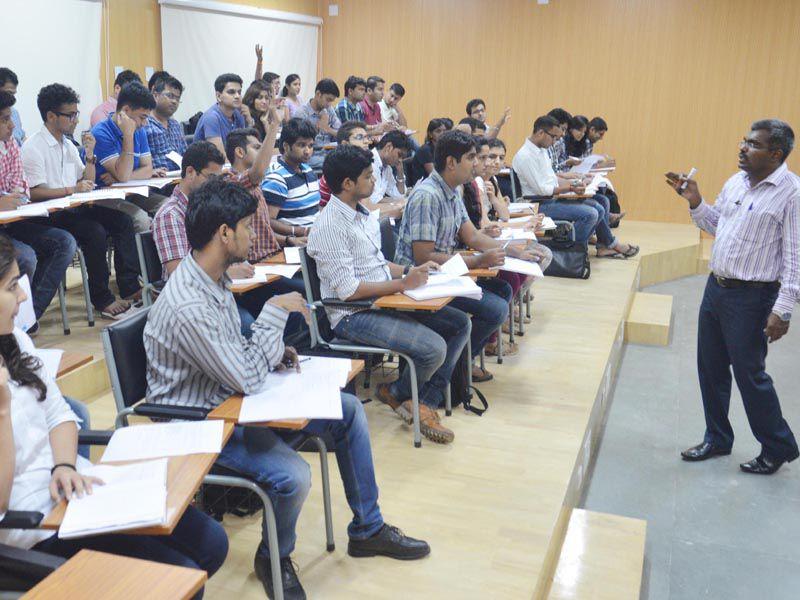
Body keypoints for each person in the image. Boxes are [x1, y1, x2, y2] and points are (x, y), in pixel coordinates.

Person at [144, 177, 430, 599]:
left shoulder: (213, 278)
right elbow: (243, 375)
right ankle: (273, 557)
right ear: (224, 234)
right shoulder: (187, 302)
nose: (253, 234)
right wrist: (273, 314)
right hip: (202, 422)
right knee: (292, 476)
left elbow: (232, 355)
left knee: (347, 411)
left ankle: (367, 528)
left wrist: (272, 351)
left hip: (233, 402)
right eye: (245, 226)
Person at [0, 235, 227, 600]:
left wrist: (62, 466)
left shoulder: (15, 342)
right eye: (13, 287)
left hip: (73, 495)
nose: (25, 297)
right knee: (181, 576)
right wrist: (3, 409)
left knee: (211, 543)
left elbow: (61, 413)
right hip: (33, 532)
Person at [308, 145, 469, 443]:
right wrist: (403, 285)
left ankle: (412, 397)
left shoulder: (361, 214)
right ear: (347, 184)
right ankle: (407, 396)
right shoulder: (329, 225)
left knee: (459, 323)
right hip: (353, 315)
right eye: (368, 176)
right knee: (433, 348)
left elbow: (378, 265)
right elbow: (348, 291)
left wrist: (410, 273)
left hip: (382, 300)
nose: (374, 181)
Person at [666, 119, 800, 475]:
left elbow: (795, 256)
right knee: (710, 368)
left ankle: (778, 445)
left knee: (749, 374)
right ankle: (717, 437)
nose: (742, 148)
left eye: (752, 144)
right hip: (717, 289)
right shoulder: (735, 181)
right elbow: (716, 225)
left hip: (754, 298)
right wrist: (696, 201)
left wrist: (783, 309)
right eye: (744, 141)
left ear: (775, 153)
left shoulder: (792, 193)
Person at [396, 130, 541, 382]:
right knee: (495, 308)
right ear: (451, 163)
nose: (477, 163)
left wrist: (508, 250)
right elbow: (423, 257)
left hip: (443, 273)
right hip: (420, 280)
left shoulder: (452, 190)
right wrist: (477, 261)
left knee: (503, 290)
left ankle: (458, 366)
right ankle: (454, 371)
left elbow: (472, 236)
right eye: (471, 157)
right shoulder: (427, 196)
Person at [22, 83, 140, 319]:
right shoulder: (33, 147)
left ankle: (130, 287)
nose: (76, 119)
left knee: (122, 221)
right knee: (94, 232)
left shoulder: (68, 144)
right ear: (51, 116)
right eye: (70, 115)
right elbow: (33, 193)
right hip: (48, 215)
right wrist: (70, 189)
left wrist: (89, 155)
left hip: (72, 207)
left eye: (76, 113)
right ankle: (102, 298)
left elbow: (86, 179)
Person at [512, 115, 638, 257]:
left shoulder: (540, 151)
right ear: (541, 133)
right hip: (537, 204)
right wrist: (571, 188)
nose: (554, 142)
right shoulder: (526, 156)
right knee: (590, 214)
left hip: (548, 199)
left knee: (599, 208)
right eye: (553, 137)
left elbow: (551, 179)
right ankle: (569, 252)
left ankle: (576, 246)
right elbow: (543, 190)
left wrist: (576, 183)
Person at [0, 92, 76, 323]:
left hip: (12, 222)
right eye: (4, 119)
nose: (12, 125)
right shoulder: (33, 144)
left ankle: (26, 319)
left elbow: (21, 187)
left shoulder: (11, 145)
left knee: (64, 242)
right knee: (25, 257)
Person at [92, 81, 166, 232]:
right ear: (125, 111)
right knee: (141, 219)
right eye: (142, 117)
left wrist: (120, 176)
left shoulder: (140, 130)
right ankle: (140, 256)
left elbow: (147, 169)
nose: (145, 123)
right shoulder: (101, 132)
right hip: (103, 197)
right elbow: (124, 175)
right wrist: (128, 135)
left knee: (168, 206)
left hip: (132, 192)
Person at [261, 118, 321, 237]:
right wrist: (299, 231)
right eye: (302, 145)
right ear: (286, 146)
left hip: (316, 236)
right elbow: (267, 221)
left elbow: (314, 209)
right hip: (294, 242)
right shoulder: (277, 178)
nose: (307, 151)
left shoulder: (308, 170)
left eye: (310, 146)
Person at [318, 120, 370, 206]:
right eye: (360, 137)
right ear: (345, 144)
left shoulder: (361, 165)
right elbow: (365, 208)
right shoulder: (337, 169)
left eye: (367, 137)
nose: (366, 141)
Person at [193, 73, 246, 157]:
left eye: (239, 92)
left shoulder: (238, 114)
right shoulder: (211, 118)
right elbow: (220, 157)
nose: (237, 96)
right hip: (207, 167)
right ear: (218, 96)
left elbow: (244, 149)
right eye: (231, 92)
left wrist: (250, 121)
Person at [294, 78, 341, 169]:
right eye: (328, 100)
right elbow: (300, 142)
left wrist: (327, 129)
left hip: (328, 153)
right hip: (311, 156)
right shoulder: (302, 113)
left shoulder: (328, 110)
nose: (329, 104)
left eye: (332, 101)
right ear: (318, 94)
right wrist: (318, 129)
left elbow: (342, 133)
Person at [144, 75, 187, 171]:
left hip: (179, 178)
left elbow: (186, 155)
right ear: (155, 95)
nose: (174, 101)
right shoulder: (144, 123)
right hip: (155, 181)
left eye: (177, 98)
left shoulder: (176, 125)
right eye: (170, 96)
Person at [369, 130, 411, 204]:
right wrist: (404, 202)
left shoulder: (387, 168)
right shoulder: (369, 161)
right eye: (399, 155)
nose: (400, 160)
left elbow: (398, 195)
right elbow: (374, 200)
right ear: (388, 147)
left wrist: (400, 171)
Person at [407, 118, 447, 188]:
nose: (442, 134)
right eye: (438, 131)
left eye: (444, 131)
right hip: (423, 187)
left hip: (436, 185)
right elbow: (434, 175)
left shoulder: (442, 149)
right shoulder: (425, 150)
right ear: (430, 134)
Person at [0, 68, 25, 146]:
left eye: (14, 94)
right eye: (9, 93)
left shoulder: (14, 112)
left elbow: (22, 138)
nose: (12, 98)